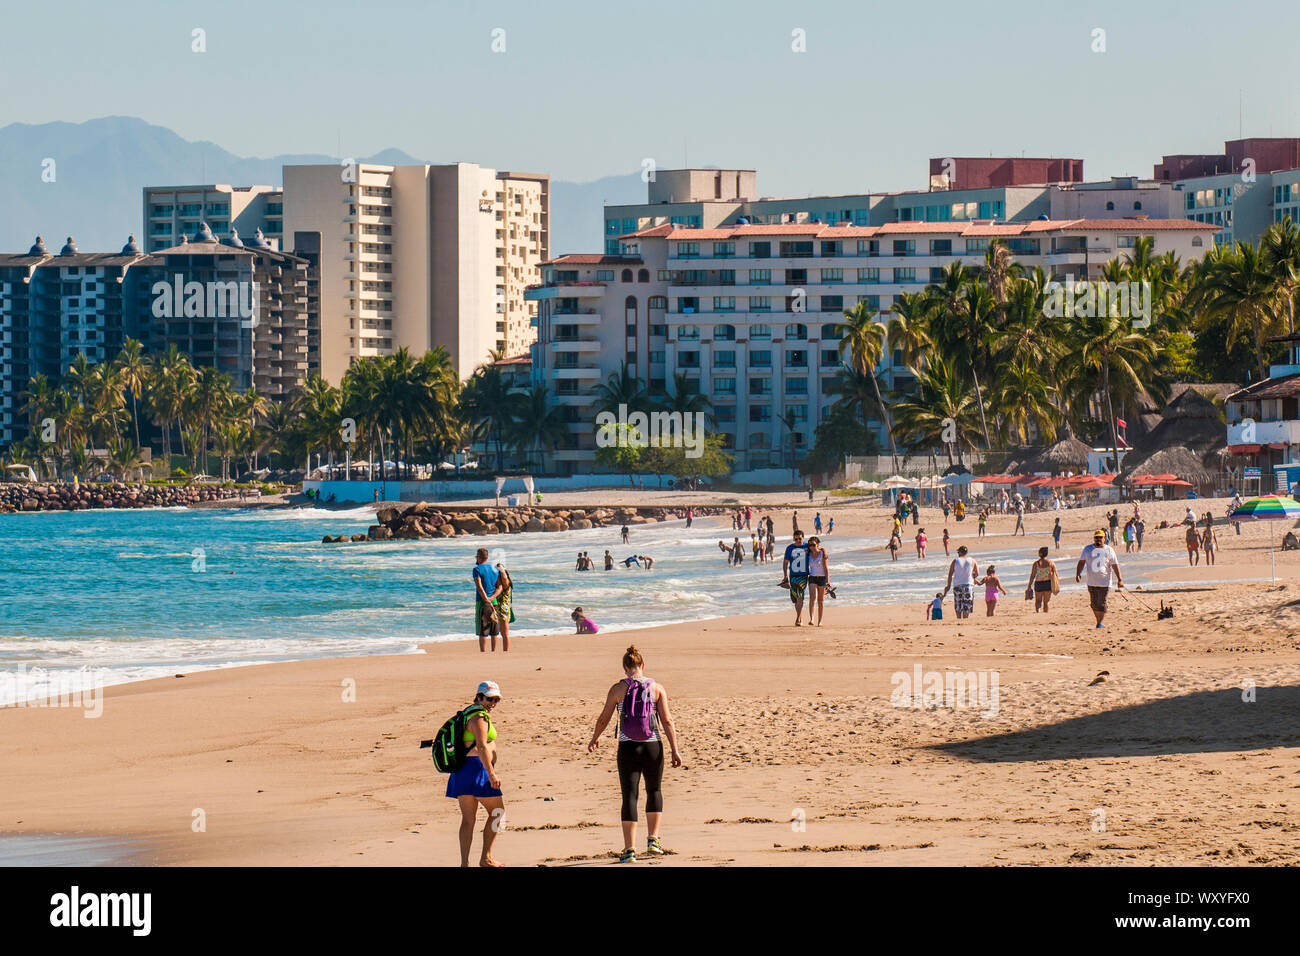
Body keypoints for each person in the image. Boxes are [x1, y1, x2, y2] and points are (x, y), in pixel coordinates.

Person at [587, 646, 681, 863]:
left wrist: (595, 738)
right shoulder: (657, 688)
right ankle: (653, 841)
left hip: (627, 747)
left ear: (625, 667)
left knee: (629, 795)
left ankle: (629, 850)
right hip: (652, 746)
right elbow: (667, 721)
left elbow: (604, 718)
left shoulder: (617, 689)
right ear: (642, 665)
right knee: (654, 790)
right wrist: (675, 749)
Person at [447, 681, 505, 867]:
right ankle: (486, 857)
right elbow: (481, 746)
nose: (493, 703)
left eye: (496, 699)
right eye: (489, 699)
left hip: (462, 771)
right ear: (479, 697)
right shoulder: (479, 717)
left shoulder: (467, 713)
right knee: (498, 813)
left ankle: (464, 863)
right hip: (477, 770)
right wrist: (491, 774)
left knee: (468, 819)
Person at [1076, 529, 1123, 628]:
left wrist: (1120, 579)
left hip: (1104, 582)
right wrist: (1078, 573)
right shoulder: (1087, 549)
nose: (1098, 539)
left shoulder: (1109, 550)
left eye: (1100, 537)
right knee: (1094, 604)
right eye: (1096, 537)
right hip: (1091, 582)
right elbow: (1081, 562)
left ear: (1104, 539)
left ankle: (1099, 623)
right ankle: (1098, 620)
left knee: (1102, 603)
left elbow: (1115, 565)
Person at [472, 548, 507, 653]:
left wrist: (486, 600)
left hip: (482, 602)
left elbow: (479, 587)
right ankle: (493, 651)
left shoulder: (477, 569)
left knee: (483, 629)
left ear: (479, 557)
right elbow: (499, 587)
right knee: (494, 629)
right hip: (494, 602)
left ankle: (483, 652)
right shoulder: (494, 569)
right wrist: (492, 598)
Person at [781, 529, 810, 626]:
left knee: (800, 597)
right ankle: (800, 616)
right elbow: (785, 563)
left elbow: (817, 549)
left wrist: (824, 552)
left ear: (803, 538)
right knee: (796, 598)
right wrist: (785, 575)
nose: (798, 541)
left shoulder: (807, 546)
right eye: (796, 539)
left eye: (800, 539)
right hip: (793, 576)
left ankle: (798, 619)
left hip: (803, 575)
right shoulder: (790, 548)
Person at [943, 545, 980, 620]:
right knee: (967, 604)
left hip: (957, 585)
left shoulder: (955, 561)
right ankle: (965, 619)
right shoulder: (972, 560)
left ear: (960, 552)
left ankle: (959, 619)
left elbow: (950, 574)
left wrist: (948, 585)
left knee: (958, 604)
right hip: (968, 585)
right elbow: (977, 573)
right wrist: (973, 577)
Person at [1026, 546, 1059, 613]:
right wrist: (1056, 584)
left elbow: (1032, 576)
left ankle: (1038, 612)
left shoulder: (1036, 564)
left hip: (1039, 583)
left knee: (1038, 600)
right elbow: (1056, 575)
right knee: (1046, 602)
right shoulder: (1051, 563)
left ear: (1040, 554)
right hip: (1048, 583)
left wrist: (1029, 585)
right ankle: (1045, 614)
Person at [806, 535, 830, 626]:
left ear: (817, 544)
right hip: (812, 577)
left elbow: (826, 568)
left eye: (813, 545)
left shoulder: (822, 554)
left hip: (822, 578)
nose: (811, 547)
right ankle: (811, 619)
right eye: (810, 545)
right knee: (812, 598)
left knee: (821, 600)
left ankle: (820, 621)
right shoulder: (808, 554)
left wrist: (828, 581)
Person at [494, 564, 515, 645]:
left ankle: (505, 652)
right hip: (497, 609)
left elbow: (504, 578)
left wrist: (501, 570)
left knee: (504, 634)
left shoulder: (506, 584)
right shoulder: (497, 584)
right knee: (497, 633)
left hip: (503, 610)